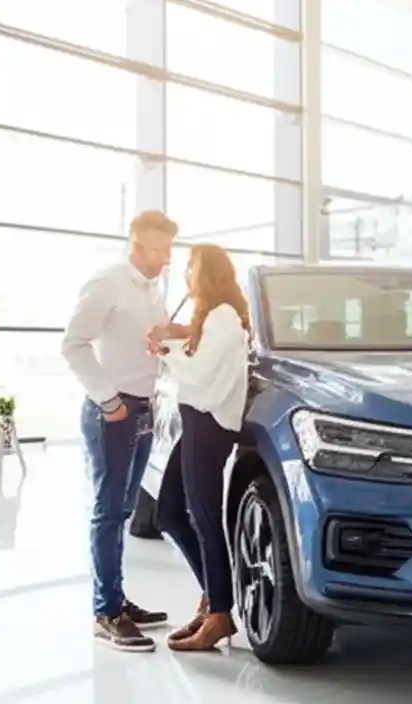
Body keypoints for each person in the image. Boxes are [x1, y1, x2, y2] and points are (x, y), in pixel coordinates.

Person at [62, 210, 178, 652]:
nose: (166, 258)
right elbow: (72, 345)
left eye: (168, 249)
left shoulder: (153, 288)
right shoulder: (107, 282)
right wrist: (108, 400)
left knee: (124, 511)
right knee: (108, 511)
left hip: (144, 410)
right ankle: (106, 613)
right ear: (136, 244)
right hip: (113, 412)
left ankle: (117, 600)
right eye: (159, 249)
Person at [145, 244, 251, 652]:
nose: (185, 274)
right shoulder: (215, 317)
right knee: (170, 512)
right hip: (197, 423)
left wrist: (165, 350)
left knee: (205, 518)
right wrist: (178, 335)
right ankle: (214, 597)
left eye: (191, 268)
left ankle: (220, 613)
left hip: (208, 424)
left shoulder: (223, 317)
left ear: (206, 274)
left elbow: (200, 374)